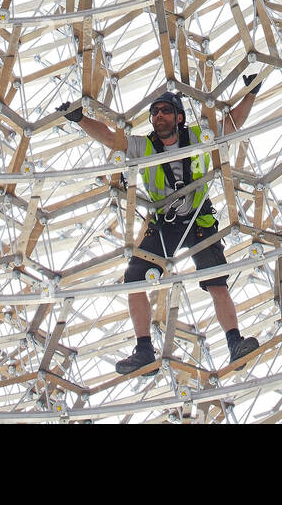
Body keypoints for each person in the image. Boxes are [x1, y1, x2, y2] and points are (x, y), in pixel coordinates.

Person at [59, 82, 262, 374]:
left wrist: (251, 93)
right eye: (155, 113)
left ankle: (234, 343)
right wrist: (80, 120)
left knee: (216, 280)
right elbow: (110, 138)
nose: (159, 116)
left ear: (179, 116)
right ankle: (144, 351)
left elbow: (231, 126)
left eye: (166, 111)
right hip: (164, 223)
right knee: (134, 279)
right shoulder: (145, 145)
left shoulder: (196, 136)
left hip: (197, 220)